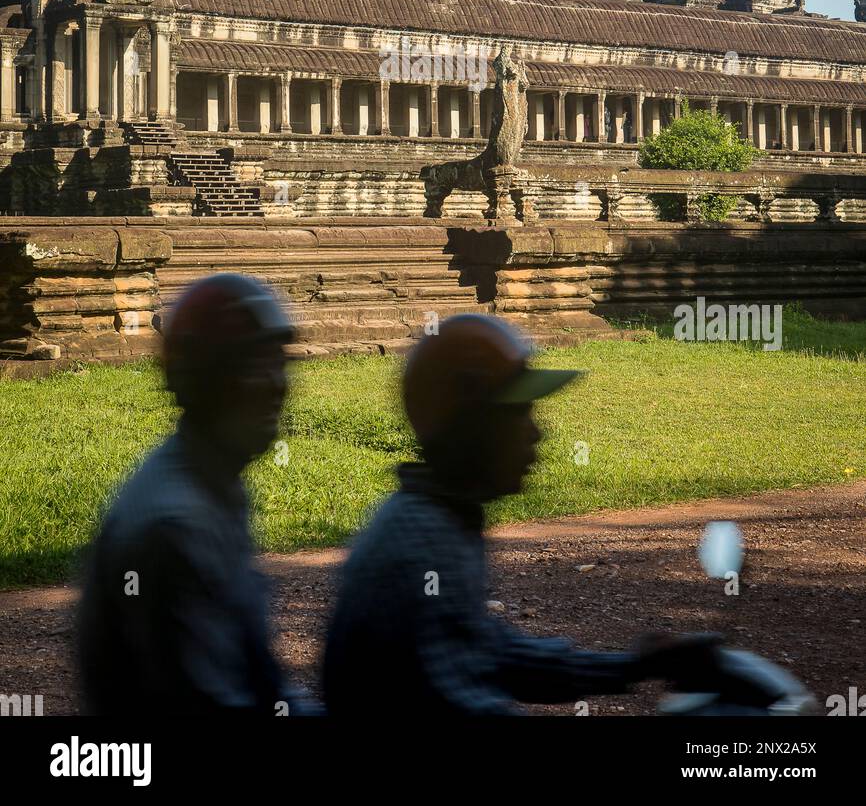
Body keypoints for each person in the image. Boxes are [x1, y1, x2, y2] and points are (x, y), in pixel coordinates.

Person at [324, 313, 718, 716]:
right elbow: (461, 701)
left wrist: (631, 666)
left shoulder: (438, 518)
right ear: (472, 424)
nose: (535, 432)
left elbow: (488, 651)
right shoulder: (420, 542)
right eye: (520, 411)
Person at [78, 272, 309, 714]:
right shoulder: (173, 529)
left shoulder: (212, 484)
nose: (278, 385)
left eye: (279, 364)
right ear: (207, 380)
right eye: (254, 366)